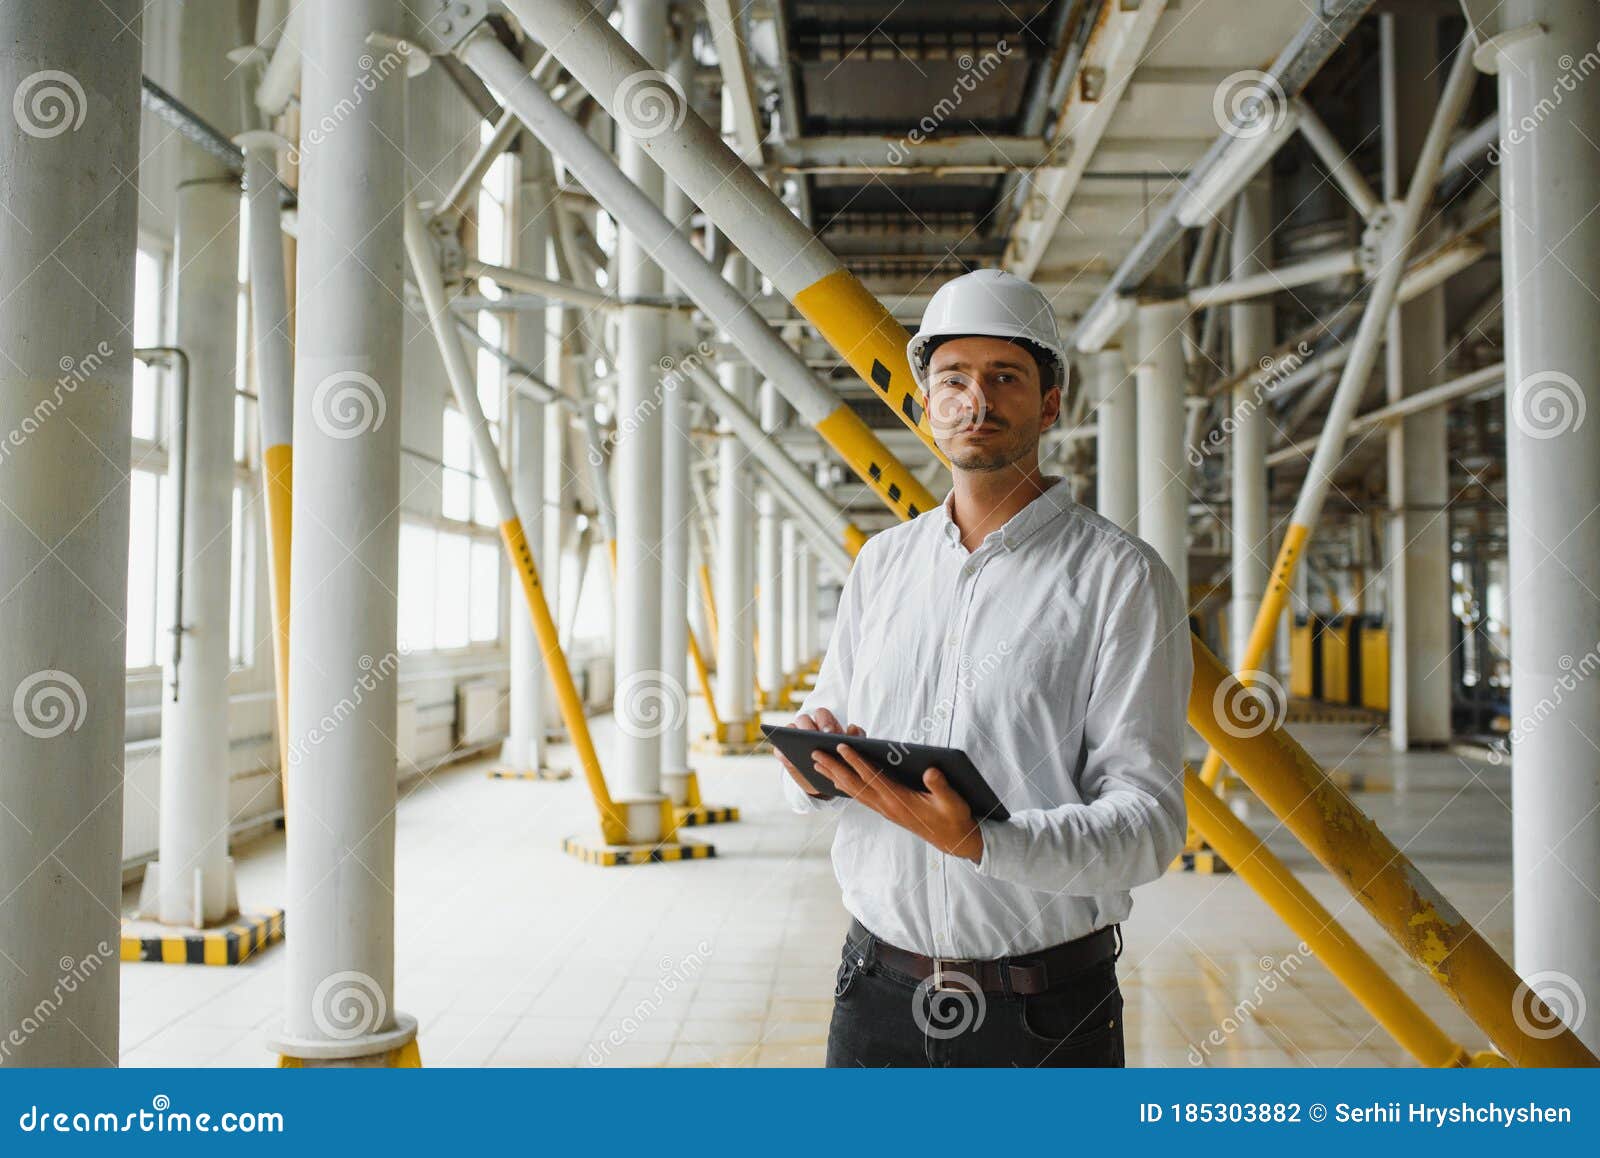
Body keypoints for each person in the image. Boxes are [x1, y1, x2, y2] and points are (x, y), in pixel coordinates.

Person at [777, 268, 1191, 1067]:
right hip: (874, 999)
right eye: (953, 378)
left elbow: (1147, 825)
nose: (978, 400)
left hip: (1040, 1019)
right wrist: (810, 763)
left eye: (1006, 377)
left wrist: (985, 842)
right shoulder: (883, 566)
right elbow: (828, 722)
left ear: (1050, 403)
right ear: (927, 402)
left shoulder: (1119, 578)